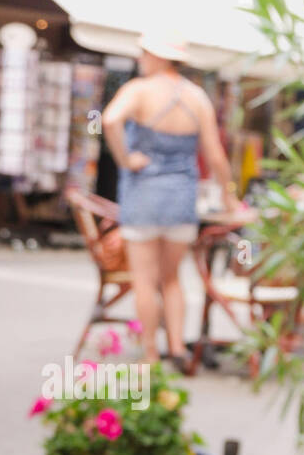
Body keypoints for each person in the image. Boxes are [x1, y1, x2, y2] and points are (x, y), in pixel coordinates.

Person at [102, 34, 241, 367]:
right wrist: (230, 195)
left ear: (156, 56)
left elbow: (109, 119)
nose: (140, 59)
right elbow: (216, 155)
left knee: (145, 281)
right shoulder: (197, 97)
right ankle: (177, 348)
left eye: (144, 53)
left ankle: (151, 354)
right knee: (173, 278)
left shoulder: (138, 90)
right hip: (181, 198)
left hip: (144, 196)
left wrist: (125, 159)